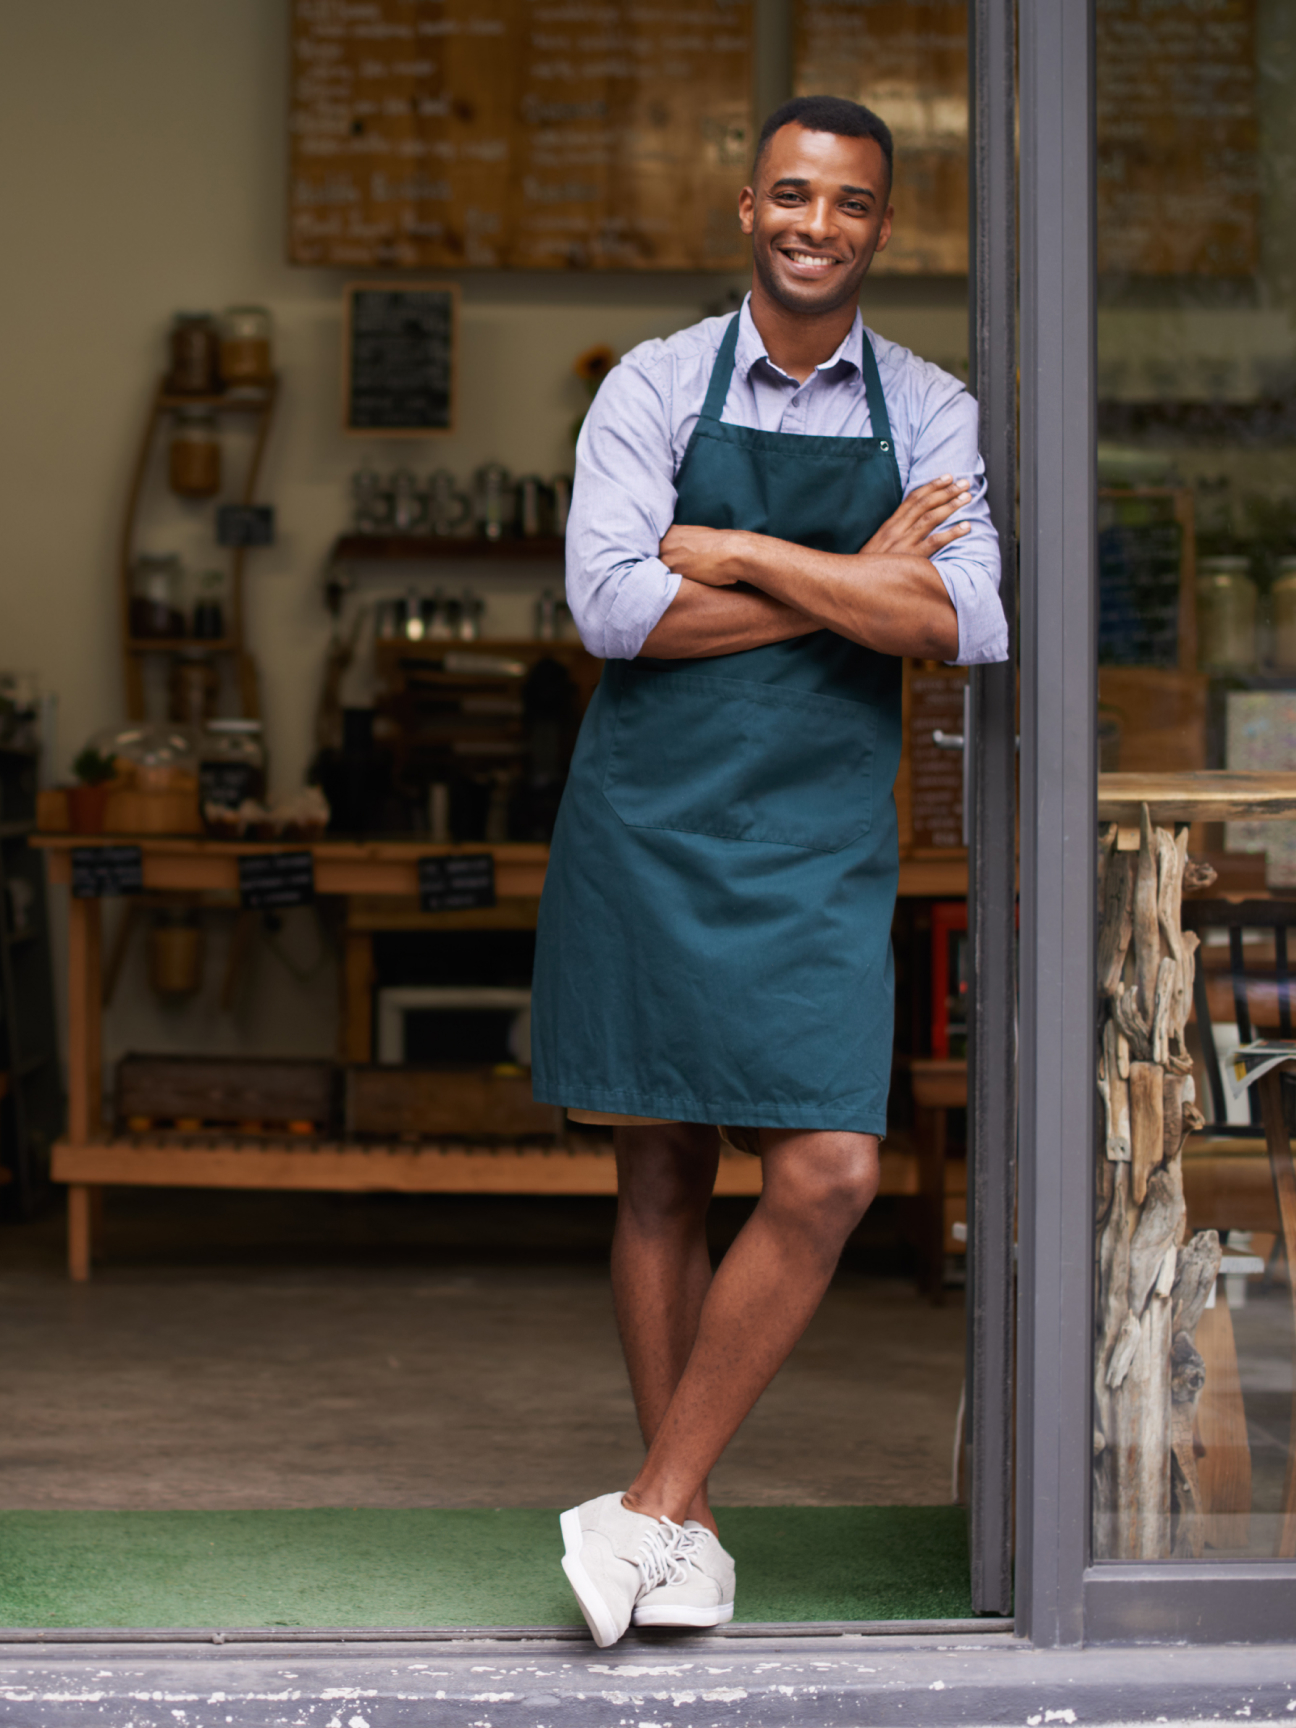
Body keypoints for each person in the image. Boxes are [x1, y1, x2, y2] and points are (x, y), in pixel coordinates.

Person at [530, 94, 1009, 1647]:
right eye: (792, 195)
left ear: (883, 226)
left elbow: (963, 619)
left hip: (815, 841)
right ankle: (692, 1528)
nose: (819, 225)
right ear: (749, 208)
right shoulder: (656, 385)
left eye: (850, 202)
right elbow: (614, 611)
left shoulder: (931, 406)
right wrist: (856, 579)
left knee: (830, 1169)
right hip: (652, 823)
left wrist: (740, 553)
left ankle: (650, 1508)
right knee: (663, 1167)